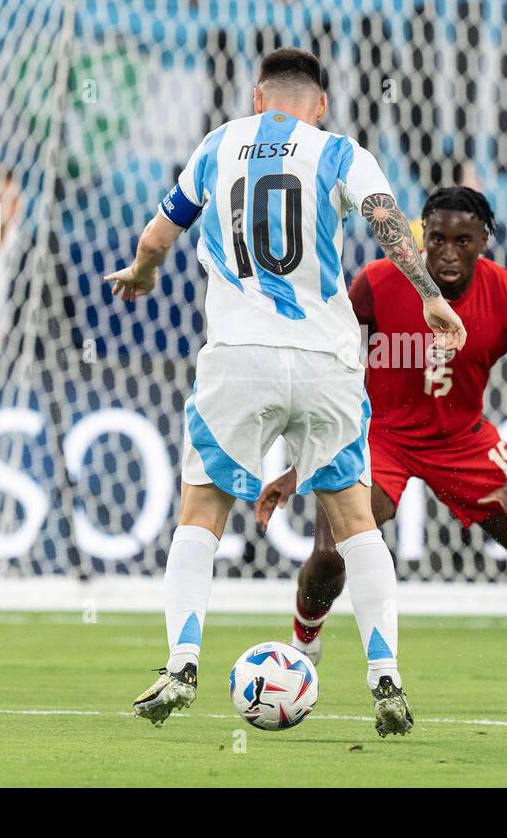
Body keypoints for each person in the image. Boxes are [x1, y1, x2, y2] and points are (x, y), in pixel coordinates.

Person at [105, 48, 465, 737]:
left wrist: (144, 272)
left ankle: (182, 664)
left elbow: (158, 233)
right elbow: (389, 223)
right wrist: (430, 298)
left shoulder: (218, 146)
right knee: (356, 523)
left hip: (239, 356)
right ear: (319, 104)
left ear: (256, 96)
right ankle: (384, 676)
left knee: (201, 511)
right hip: (327, 357)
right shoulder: (339, 151)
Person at [255, 187, 507, 706]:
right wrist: (308, 460)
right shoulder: (377, 283)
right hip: (380, 433)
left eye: (463, 240)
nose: (448, 253)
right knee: (331, 550)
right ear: (421, 236)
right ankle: (301, 650)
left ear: (484, 240)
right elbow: (329, 369)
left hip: (463, 439)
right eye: (436, 239)